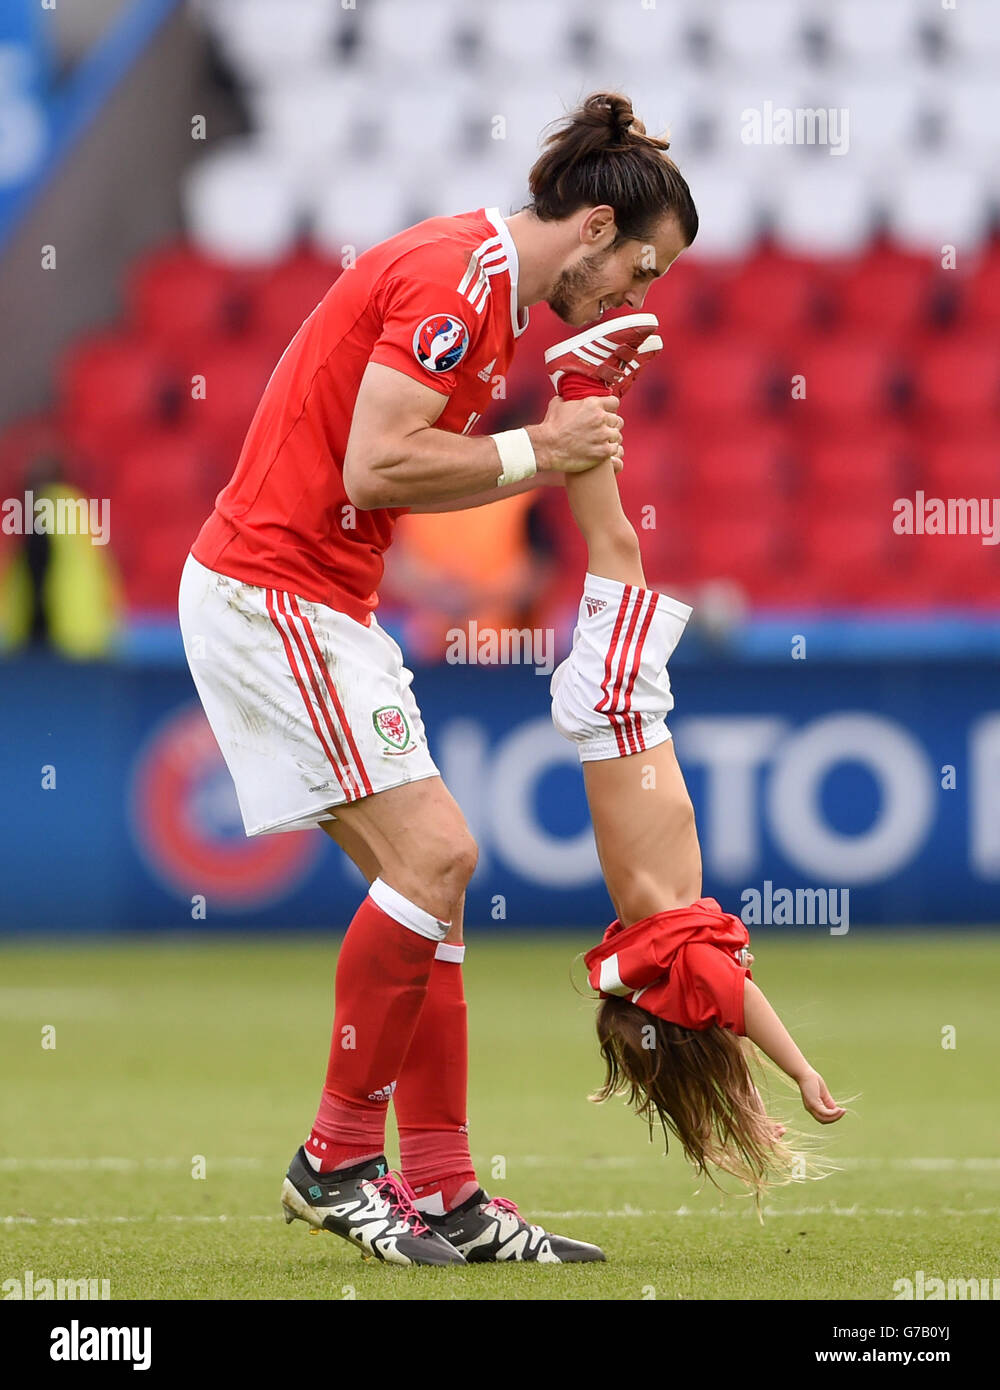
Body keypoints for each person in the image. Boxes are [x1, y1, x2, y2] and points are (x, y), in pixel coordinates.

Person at [177, 92, 698, 1265]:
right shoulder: (462, 280)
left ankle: (449, 1192)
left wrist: (556, 421)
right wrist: (539, 450)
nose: (637, 295)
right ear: (596, 227)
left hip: (315, 598)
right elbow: (377, 460)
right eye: (642, 270)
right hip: (275, 591)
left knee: (434, 891)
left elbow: (404, 478)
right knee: (441, 855)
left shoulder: (489, 295)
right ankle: (334, 1161)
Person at [546, 315, 846, 1198]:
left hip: (620, 720)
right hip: (624, 720)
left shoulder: (672, 942)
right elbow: (721, 1000)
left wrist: (800, 1072)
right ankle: (589, 393)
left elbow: (737, 1001)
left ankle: (580, 389)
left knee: (618, 547)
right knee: (620, 550)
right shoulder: (664, 935)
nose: (719, 1002)